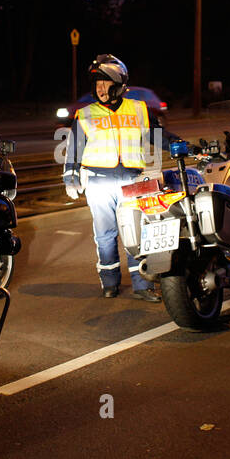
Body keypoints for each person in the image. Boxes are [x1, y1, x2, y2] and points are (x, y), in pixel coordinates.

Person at [62, 53, 161, 302]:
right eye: (97, 85)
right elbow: (74, 148)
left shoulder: (139, 109)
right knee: (105, 236)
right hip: (98, 181)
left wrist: (181, 145)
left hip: (132, 180)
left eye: (106, 84)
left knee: (136, 234)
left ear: (119, 86)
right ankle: (109, 282)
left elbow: (160, 135)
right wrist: (70, 176)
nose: (101, 89)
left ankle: (143, 285)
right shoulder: (85, 114)